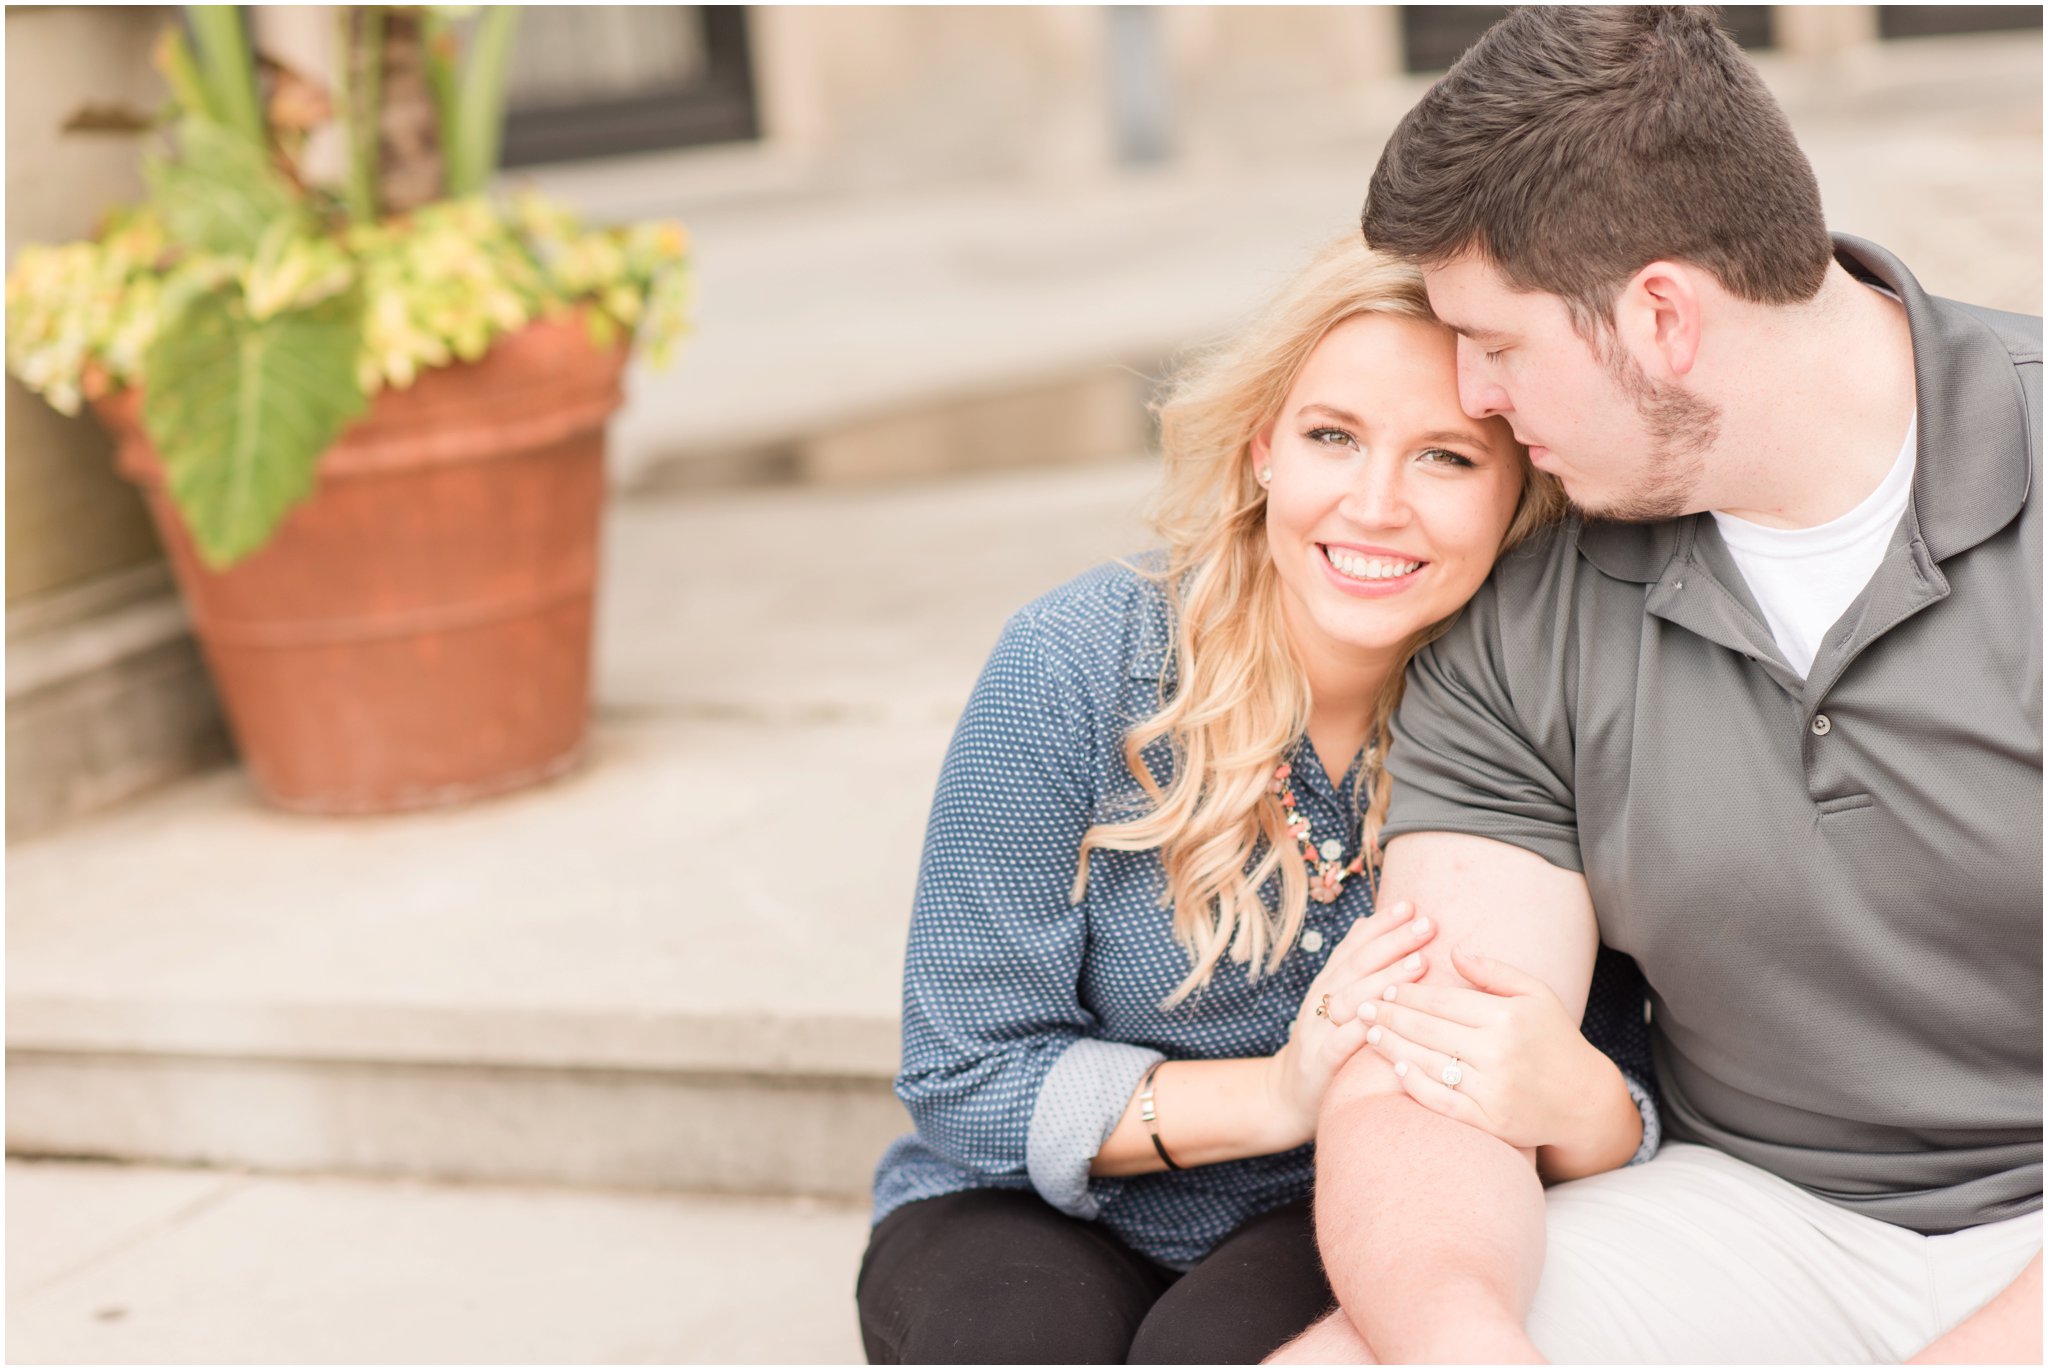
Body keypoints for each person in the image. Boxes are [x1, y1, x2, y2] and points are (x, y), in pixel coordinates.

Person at [1274, 8, 2042, 1365]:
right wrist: (1463, 1339)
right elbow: (1428, 1059)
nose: (1475, 396)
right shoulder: (1531, 605)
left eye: (1496, 343)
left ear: (1662, 315)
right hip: (1758, 1216)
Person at [854, 236, 1666, 1365]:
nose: (1374, 504)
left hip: (1346, 1200)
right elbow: (963, 1074)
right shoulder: (1077, 663)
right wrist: (1280, 1092)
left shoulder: (1543, 705)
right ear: (1260, 449)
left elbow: (1622, 1078)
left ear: (1517, 491)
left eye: (1444, 456)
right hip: (1040, 1198)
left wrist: (1585, 1103)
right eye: (1332, 436)